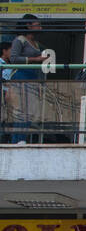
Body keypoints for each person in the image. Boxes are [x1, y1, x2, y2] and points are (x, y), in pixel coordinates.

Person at [9, 15, 46, 144]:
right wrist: (35, 60)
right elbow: (13, 59)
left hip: (33, 77)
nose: (40, 27)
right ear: (29, 26)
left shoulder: (35, 43)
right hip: (21, 75)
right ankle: (16, 140)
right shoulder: (20, 40)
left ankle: (22, 138)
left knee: (30, 111)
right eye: (38, 24)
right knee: (21, 110)